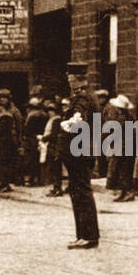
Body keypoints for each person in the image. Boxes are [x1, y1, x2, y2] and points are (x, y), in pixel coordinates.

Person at [60, 74, 100, 249]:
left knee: (81, 192)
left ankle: (89, 236)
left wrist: (62, 125)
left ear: (78, 81)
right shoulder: (86, 98)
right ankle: (83, 235)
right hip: (81, 150)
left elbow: (77, 123)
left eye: (71, 80)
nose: (69, 82)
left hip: (79, 151)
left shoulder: (82, 100)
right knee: (78, 191)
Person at [107, 95, 138, 201]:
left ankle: (127, 192)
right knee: (125, 171)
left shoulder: (121, 119)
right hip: (127, 147)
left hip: (122, 147)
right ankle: (125, 192)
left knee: (123, 171)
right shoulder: (129, 117)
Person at [0, 93, 18, 196]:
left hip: (4, 143)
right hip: (4, 143)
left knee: (3, 164)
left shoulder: (7, 115)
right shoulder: (3, 114)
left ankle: (4, 184)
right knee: (4, 163)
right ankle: (5, 184)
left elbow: (1, 130)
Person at [22, 96, 49, 186]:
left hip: (31, 140)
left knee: (29, 160)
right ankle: (39, 179)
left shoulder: (32, 115)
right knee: (39, 160)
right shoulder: (45, 114)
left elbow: (27, 130)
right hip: (41, 138)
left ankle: (29, 179)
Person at [42, 100, 66, 195]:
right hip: (52, 147)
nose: (49, 112)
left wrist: (44, 138)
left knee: (56, 168)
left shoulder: (56, 120)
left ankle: (57, 188)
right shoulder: (53, 119)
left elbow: (54, 134)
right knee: (54, 168)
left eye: (51, 110)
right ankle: (55, 187)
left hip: (54, 147)